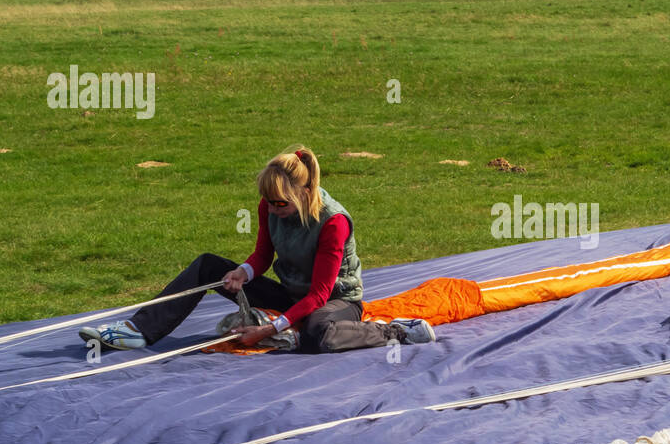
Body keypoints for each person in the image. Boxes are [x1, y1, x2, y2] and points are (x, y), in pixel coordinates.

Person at [79, 145, 436, 352]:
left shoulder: (333, 222)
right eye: (267, 202)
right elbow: (263, 256)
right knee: (208, 266)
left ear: (305, 192)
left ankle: (395, 331)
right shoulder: (270, 206)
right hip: (292, 293)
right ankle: (139, 330)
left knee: (315, 333)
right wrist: (242, 273)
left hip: (334, 303)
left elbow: (321, 293)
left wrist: (267, 331)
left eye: (280, 203)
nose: (272, 208)